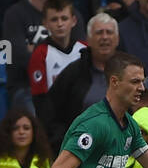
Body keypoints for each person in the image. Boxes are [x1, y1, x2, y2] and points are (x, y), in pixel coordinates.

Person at [46, 12, 121, 144]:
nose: (104, 37)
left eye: (109, 32)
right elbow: (51, 113)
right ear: (89, 40)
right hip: (81, 149)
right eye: (99, 33)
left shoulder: (129, 71)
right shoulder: (73, 73)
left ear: (117, 39)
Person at [28, 0, 87, 121]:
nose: (60, 24)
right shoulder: (40, 54)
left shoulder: (85, 50)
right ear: (45, 23)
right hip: (55, 120)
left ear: (74, 20)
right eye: (54, 19)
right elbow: (40, 99)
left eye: (64, 18)